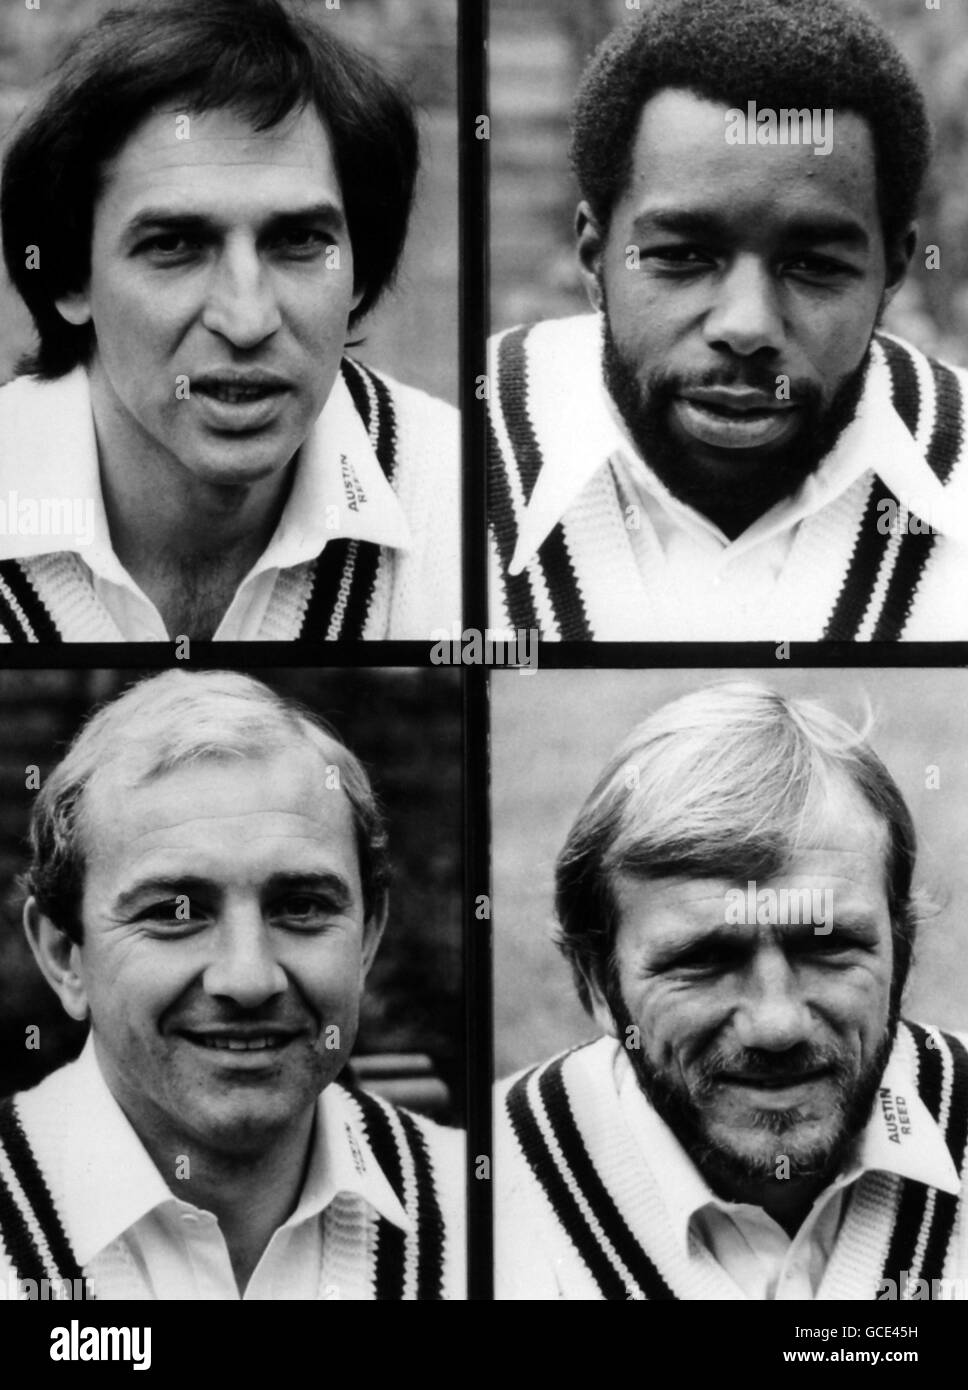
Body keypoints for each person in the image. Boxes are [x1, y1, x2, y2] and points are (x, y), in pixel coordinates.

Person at [488, 0, 968, 641]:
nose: (747, 327)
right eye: (682, 257)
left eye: (813, 265)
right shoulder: (455, 456)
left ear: (894, 269)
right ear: (593, 257)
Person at [0, 0, 459, 642]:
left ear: (358, 268)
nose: (247, 321)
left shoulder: (465, 497)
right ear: (71, 278)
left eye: (299, 240)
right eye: (173, 245)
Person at [495, 682, 968, 1299]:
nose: (776, 1026)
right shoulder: (483, 1198)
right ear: (596, 983)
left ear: (900, 952)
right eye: (704, 959)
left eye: (827, 948)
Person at [0, 670, 464, 1300]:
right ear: (65, 955)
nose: (248, 979)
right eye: (173, 913)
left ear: (368, 937)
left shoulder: (485, 1210)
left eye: (301, 906)